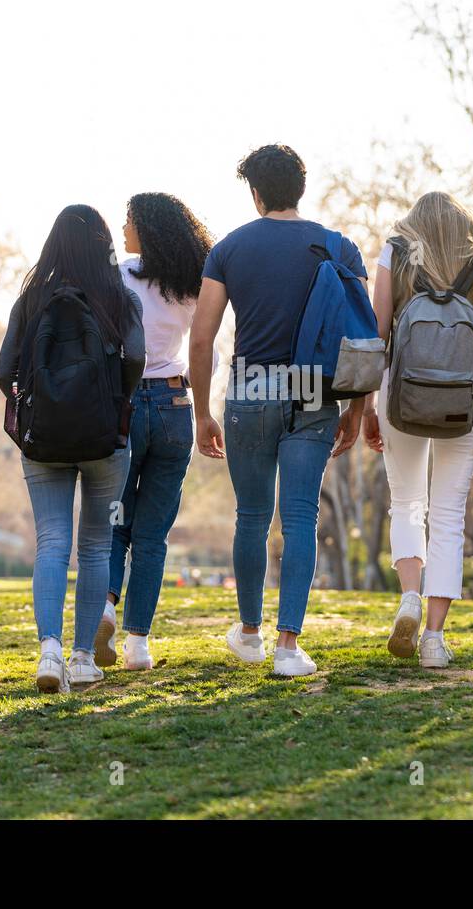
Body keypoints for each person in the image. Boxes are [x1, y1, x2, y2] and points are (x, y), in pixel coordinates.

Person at [189, 144, 364, 678]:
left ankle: (249, 633)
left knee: (251, 517)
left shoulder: (229, 249)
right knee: (301, 517)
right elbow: (362, 337)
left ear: (256, 193)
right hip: (315, 391)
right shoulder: (339, 246)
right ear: (301, 189)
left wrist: (201, 412)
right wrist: (358, 409)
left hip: (249, 392)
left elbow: (201, 339)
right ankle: (289, 647)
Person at [0, 204, 146, 693]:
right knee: (98, 544)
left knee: (52, 542)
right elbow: (138, 357)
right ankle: (83, 658)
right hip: (105, 438)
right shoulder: (119, 298)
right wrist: (116, 402)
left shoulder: (32, 299)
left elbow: (4, 372)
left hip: (44, 440)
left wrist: (31, 410)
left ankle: (49, 650)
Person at [363, 191, 473, 668]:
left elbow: (378, 330)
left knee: (406, 503)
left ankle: (408, 598)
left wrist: (366, 404)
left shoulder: (397, 247)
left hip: (401, 394)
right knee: (448, 517)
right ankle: (434, 641)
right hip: (464, 402)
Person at [96, 193, 213, 673]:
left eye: (128, 220)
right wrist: (205, 412)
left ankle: (104, 607)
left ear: (145, 227)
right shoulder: (193, 283)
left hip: (123, 406)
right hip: (173, 406)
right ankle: (137, 644)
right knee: (153, 534)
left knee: (114, 523)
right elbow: (207, 347)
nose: (123, 228)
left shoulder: (119, 274)